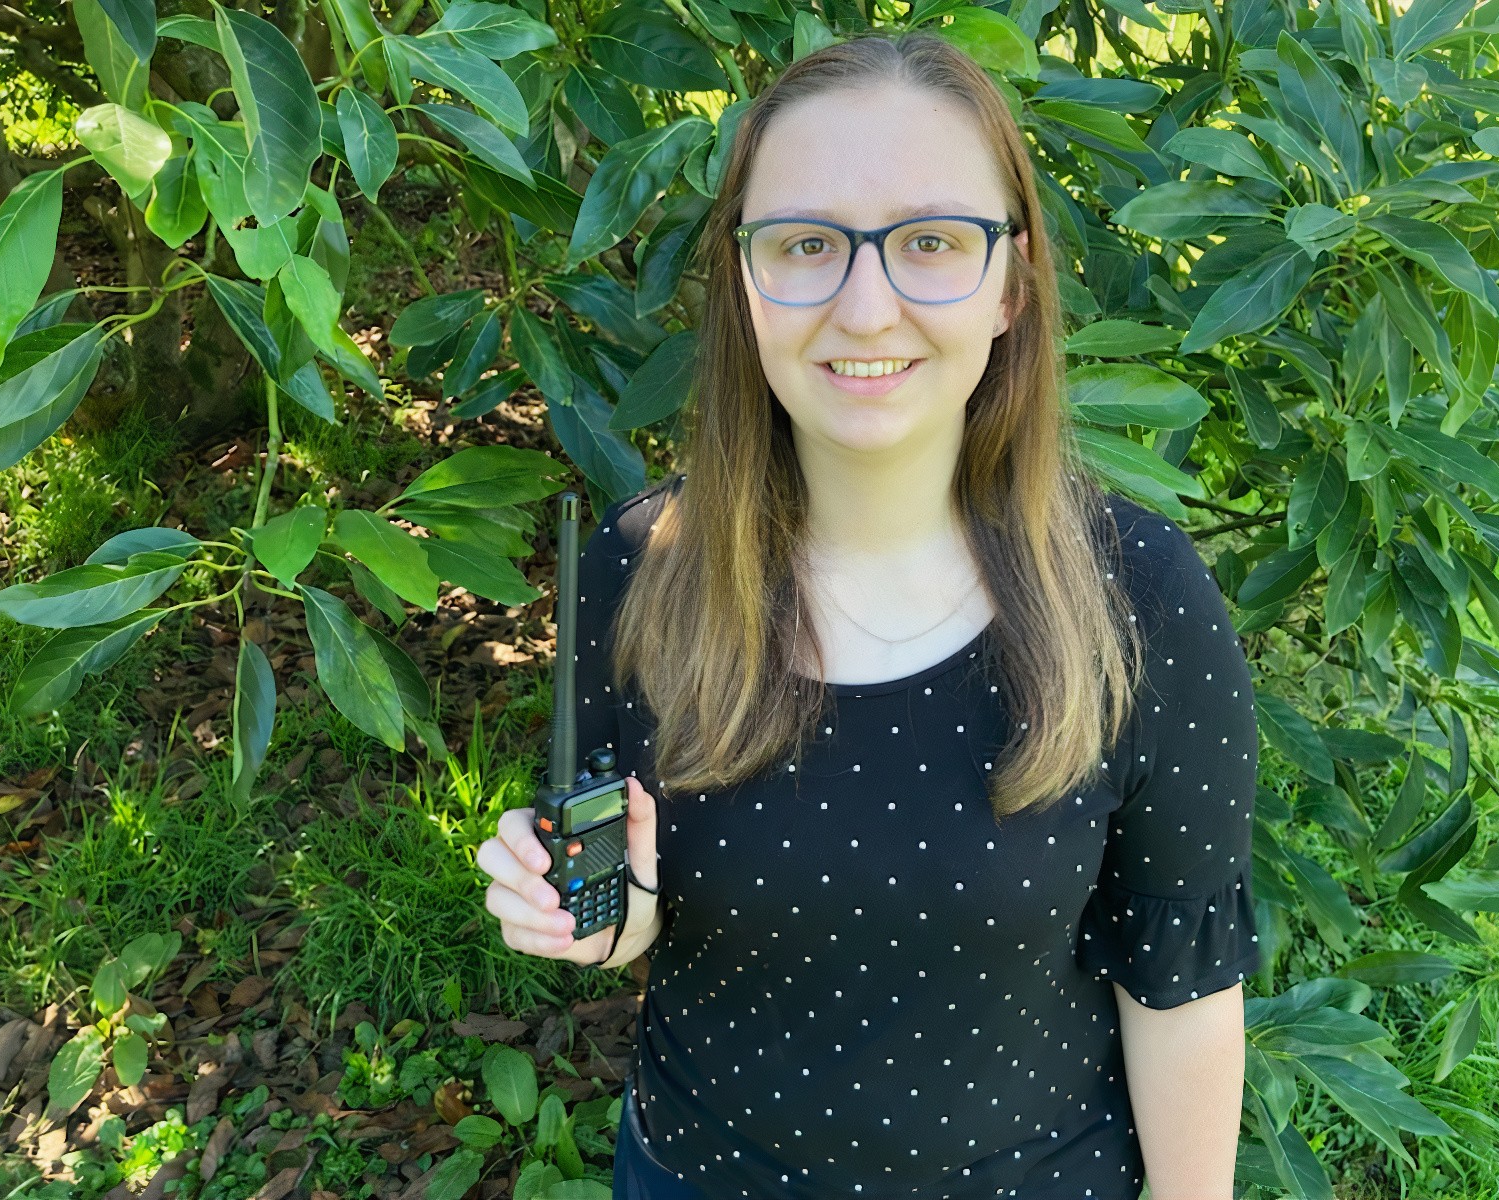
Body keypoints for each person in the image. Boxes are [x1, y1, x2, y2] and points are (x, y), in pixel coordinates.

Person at [476, 27, 1260, 1200]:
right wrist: (597, 914)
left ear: (1012, 283)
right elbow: (633, 914)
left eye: (931, 242)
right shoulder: (642, 569)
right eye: (805, 245)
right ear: (744, 284)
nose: (865, 305)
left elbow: (1181, 982)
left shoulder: (1137, 599)